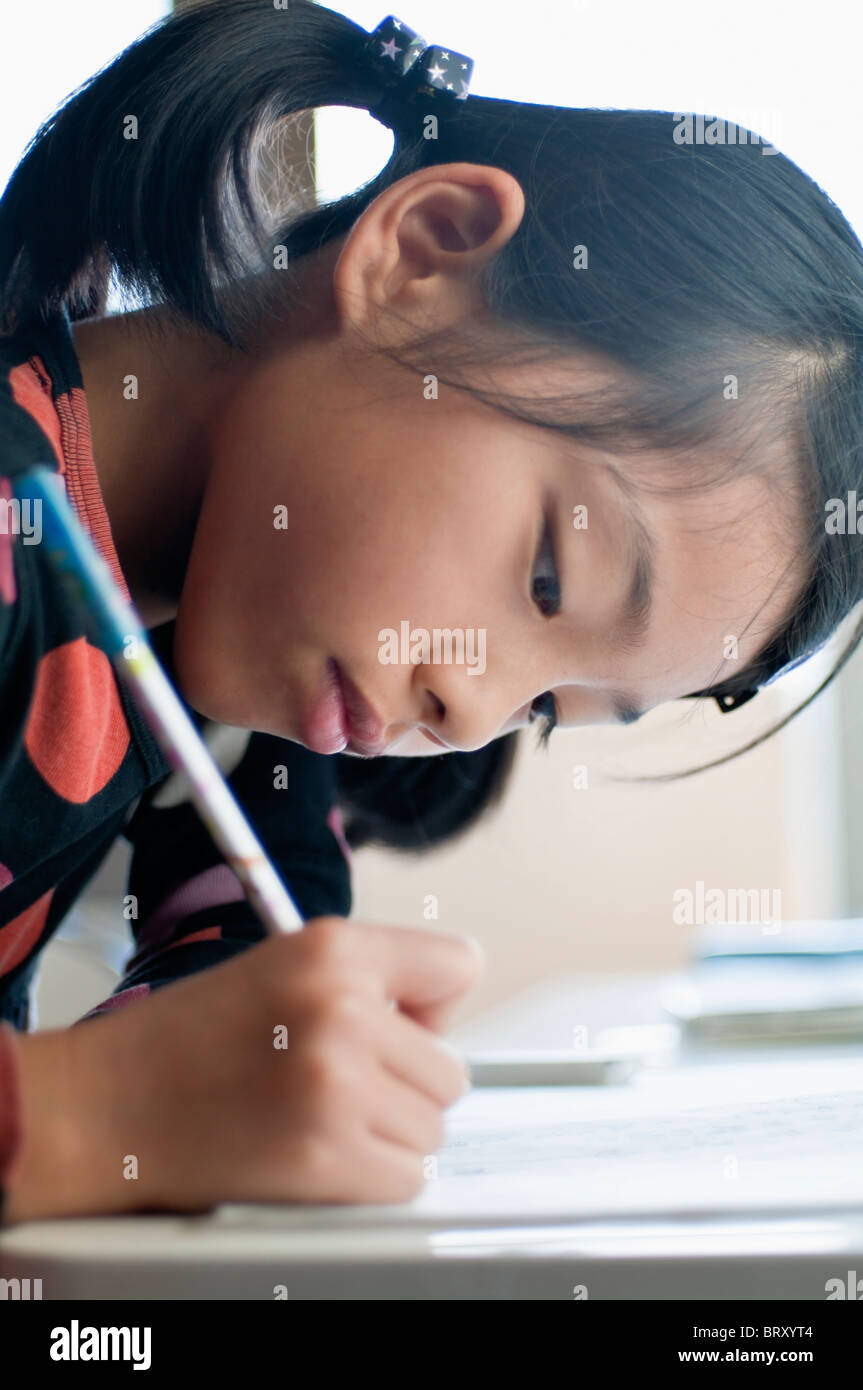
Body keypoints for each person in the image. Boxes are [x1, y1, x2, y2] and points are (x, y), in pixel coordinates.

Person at [1, 1, 860, 1223]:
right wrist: (89, 1118)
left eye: (546, 707)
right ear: (420, 255)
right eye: (548, 579)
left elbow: (239, 968)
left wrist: (268, 1059)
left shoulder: (217, 684)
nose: (469, 708)